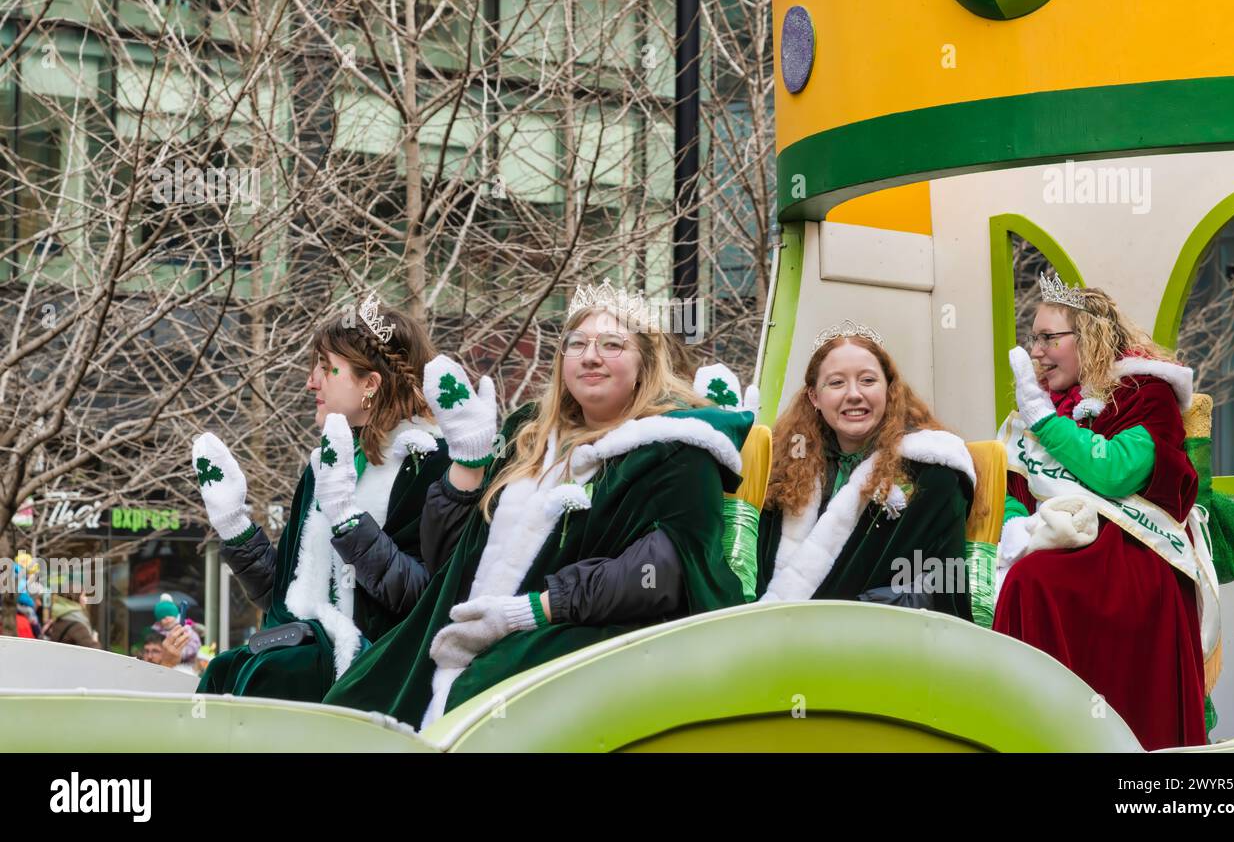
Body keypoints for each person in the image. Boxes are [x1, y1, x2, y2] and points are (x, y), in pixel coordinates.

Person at [323, 279, 752, 728]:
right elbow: (446, 559)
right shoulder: (528, 436)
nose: (590, 356)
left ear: (645, 364)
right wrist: (466, 467)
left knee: (478, 696)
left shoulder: (679, 449)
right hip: (469, 628)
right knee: (354, 699)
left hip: (586, 636)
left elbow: (658, 574)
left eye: (612, 344)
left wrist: (525, 612)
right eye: (577, 343)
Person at [193, 296, 453, 702]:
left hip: (381, 679)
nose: (311, 381)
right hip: (309, 663)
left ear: (371, 384)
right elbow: (291, 599)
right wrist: (236, 529)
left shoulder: (429, 464)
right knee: (229, 669)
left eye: (325, 367)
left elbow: (426, 597)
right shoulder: (326, 464)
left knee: (268, 675)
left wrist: (348, 520)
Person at [992, 273, 1214, 750]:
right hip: (1052, 537)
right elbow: (1012, 483)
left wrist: (1046, 422)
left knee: (1036, 583)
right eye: (1033, 339)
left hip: (1135, 551)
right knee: (1004, 582)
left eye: (1049, 338)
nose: (1036, 352)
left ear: (1088, 337)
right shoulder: (1036, 409)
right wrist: (1014, 525)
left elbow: (1117, 473)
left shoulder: (1144, 394)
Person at [756, 321, 975, 617]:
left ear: (889, 389)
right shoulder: (788, 466)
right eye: (836, 383)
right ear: (814, 397)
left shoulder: (930, 470)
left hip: (881, 639)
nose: (854, 394)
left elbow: (941, 580)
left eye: (868, 380)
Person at [151, 594, 201, 667]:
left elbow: (195, 645)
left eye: (170, 615)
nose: (167, 619)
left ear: (176, 615)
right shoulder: (157, 633)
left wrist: (181, 653)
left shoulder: (185, 628)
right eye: (163, 617)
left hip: (187, 664)